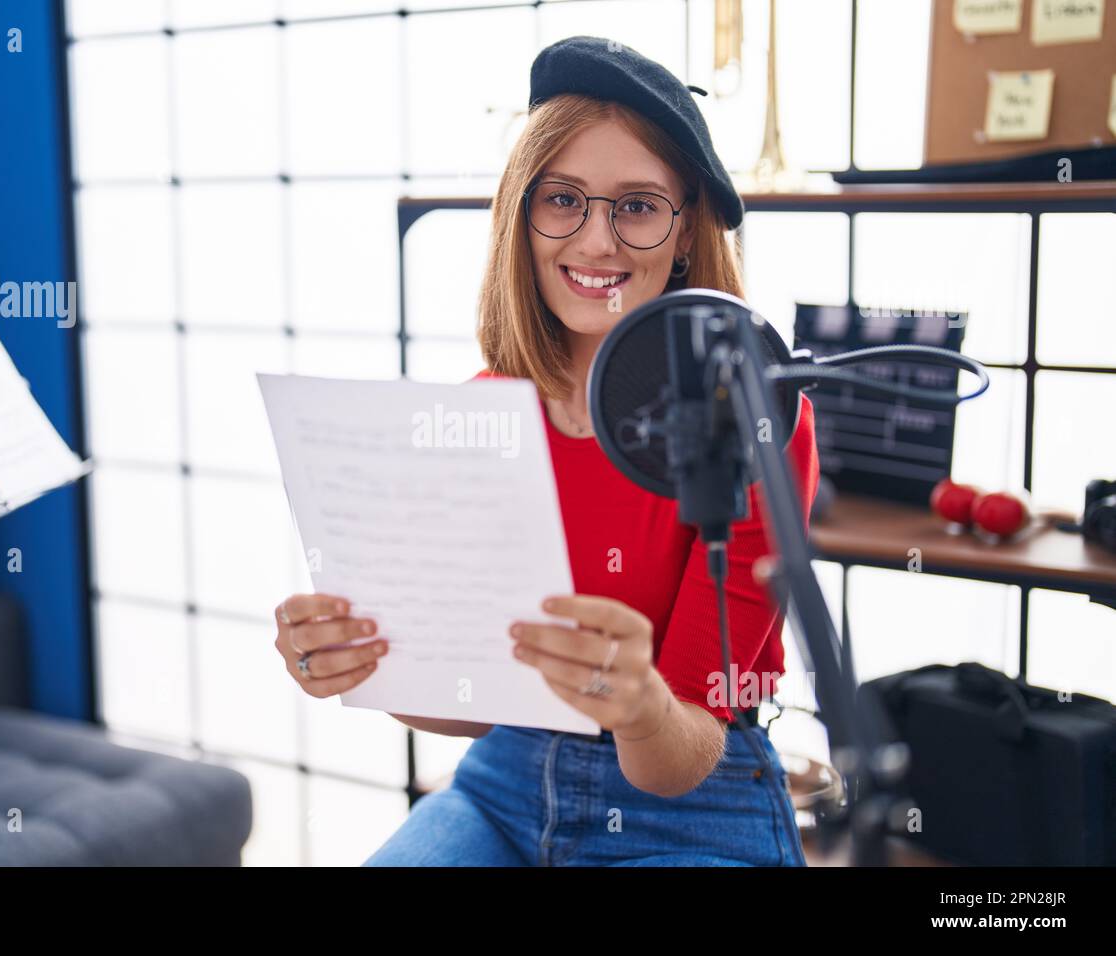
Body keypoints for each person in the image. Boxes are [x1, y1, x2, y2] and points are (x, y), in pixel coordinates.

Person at [273, 36, 819, 866]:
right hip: (505, 781)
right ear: (521, 219)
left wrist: (638, 704)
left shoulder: (754, 415)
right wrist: (371, 661)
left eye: (636, 206)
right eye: (562, 200)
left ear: (684, 235)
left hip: (695, 796)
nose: (595, 242)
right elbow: (472, 703)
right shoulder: (484, 411)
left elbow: (687, 749)